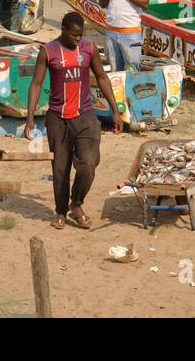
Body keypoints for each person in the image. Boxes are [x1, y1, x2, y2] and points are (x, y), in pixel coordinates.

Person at [24, 12, 123, 229]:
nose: (78, 39)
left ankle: (76, 204)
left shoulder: (89, 49)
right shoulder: (48, 52)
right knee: (60, 169)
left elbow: (102, 77)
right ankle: (60, 211)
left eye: (81, 35)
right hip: (57, 118)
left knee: (88, 163)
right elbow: (36, 84)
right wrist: (30, 118)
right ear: (63, 29)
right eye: (74, 35)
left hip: (86, 115)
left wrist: (115, 110)